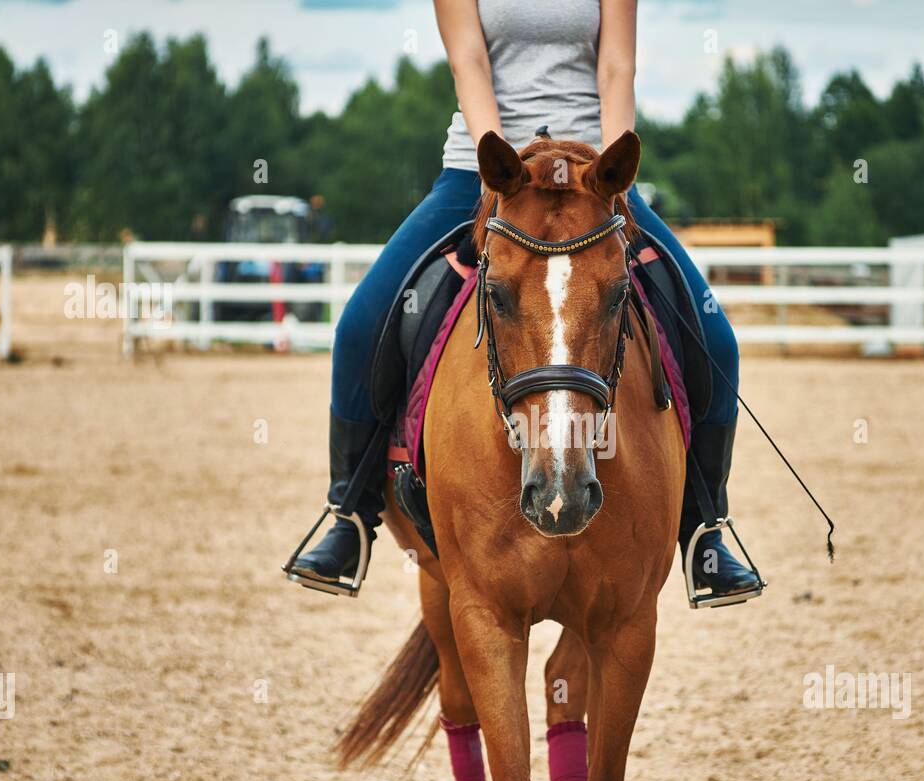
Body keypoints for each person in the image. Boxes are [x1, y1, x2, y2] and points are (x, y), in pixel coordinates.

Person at [289, 0, 761, 603]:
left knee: (715, 337)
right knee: (361, 324)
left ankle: (704, 533)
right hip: (485, 171)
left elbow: (616, 67)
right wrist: (499, 172)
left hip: (592, 178)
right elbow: (469, 62)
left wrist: (611, 176)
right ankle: (350, 518)